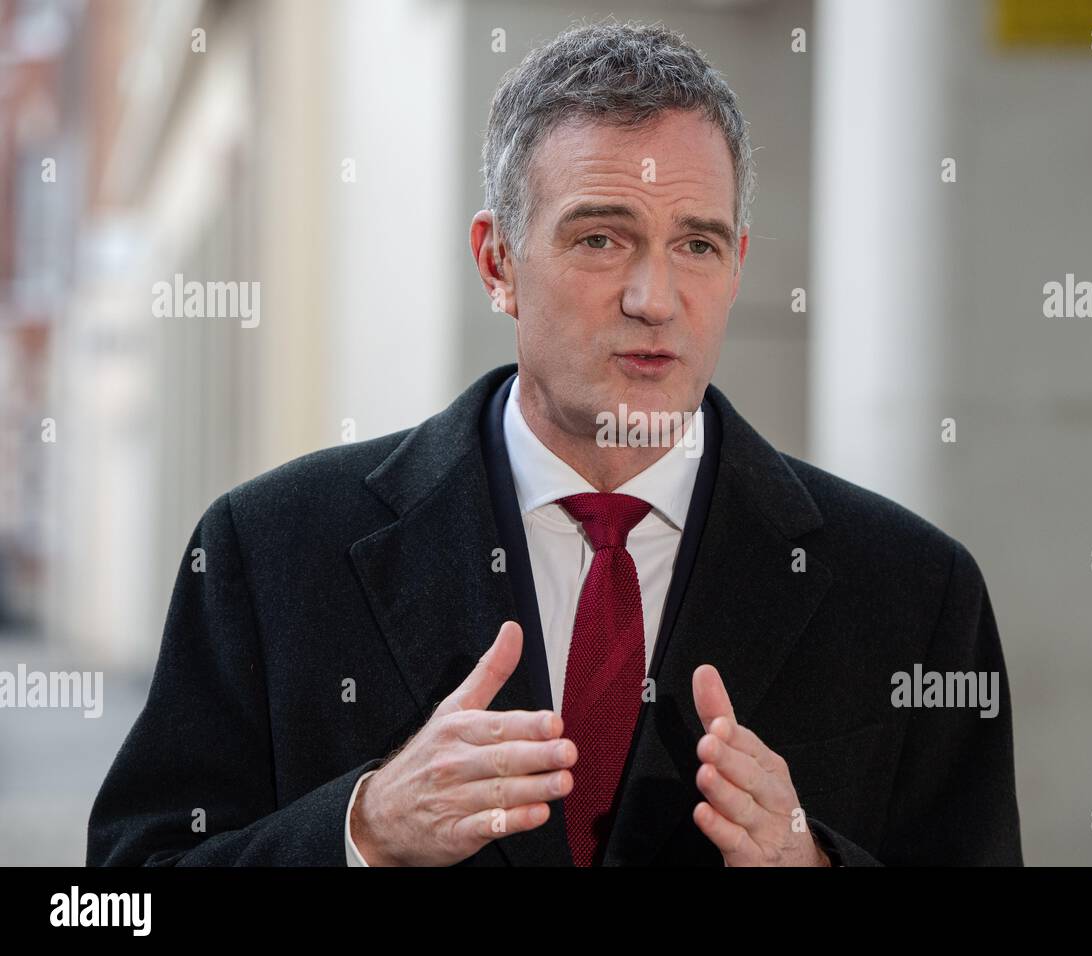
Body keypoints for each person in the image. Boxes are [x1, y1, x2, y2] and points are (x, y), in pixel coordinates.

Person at [87, 20, 1021, 867]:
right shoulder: (270, 551)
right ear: (498, 264)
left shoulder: (914, 591)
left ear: (736, 266)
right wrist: (363, 831)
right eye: (602, 239)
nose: (654, 299)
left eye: (695, 245)